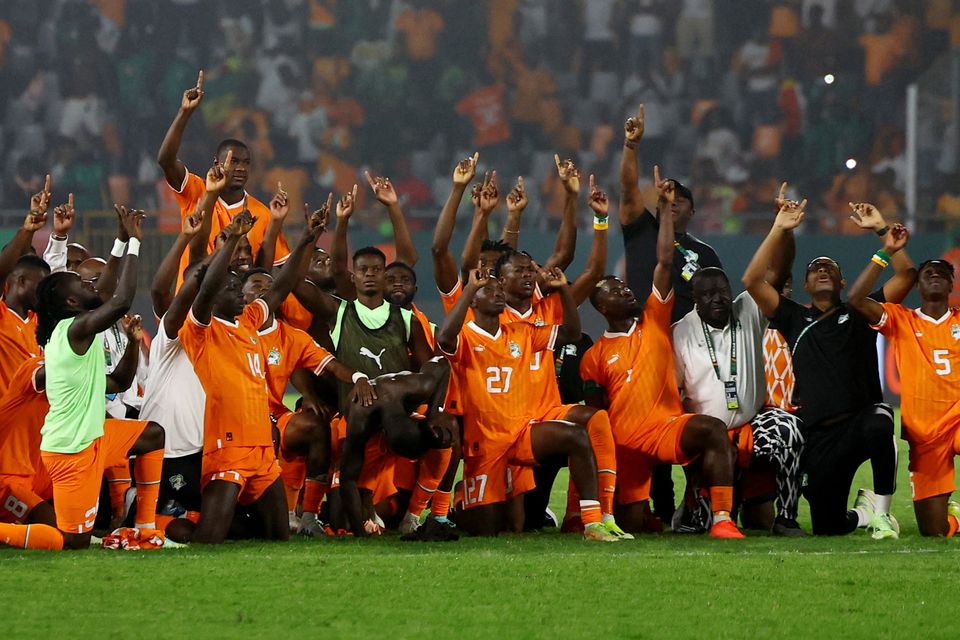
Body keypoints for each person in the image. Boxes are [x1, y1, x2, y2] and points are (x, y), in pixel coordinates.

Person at [581, 173, 744, 539]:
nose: (624, 290)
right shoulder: (593, 356)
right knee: (634, 524)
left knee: (713, 430)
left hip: (664, 427)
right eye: (614, 290)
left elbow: (665, 262)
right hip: (625, 442)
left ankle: (720, 518)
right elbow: (597, 416)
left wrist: (665, 214)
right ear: (601, 307)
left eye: (623, 285)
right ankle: (610, 510)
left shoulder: (655, 318)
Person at [742, 200, 917, 538]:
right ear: (806, 286)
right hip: (820, 436)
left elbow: (907, 276)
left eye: (830, 268)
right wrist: (779, 228)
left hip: (860, 422)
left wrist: (883, 233)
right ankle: (864, 513)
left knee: (880, 421)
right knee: (828, 526)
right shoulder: (793, 317)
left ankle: (882, 514)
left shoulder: (861, 310)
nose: (822, 271)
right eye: (815, 269)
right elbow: (751, 280)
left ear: (841, 281)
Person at [0, 207, 166, 550]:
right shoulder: (70, 333)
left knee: (152, 434)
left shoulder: (73, 333)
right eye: (81, 283)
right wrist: (134, 242)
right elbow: (118, 300)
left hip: (91, 440)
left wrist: (134, 345)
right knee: (71, 541)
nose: (89, 283)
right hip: (66, 451)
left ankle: (146, 526)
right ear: (72, 301)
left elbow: (118, 382)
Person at [177, 205, 324, 544]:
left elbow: (279, 289)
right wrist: (232, 240)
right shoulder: (202, 329)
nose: (242, 295)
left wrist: (306, 239)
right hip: (227, 446)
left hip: (262, 450)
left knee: (277, 536)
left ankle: (220, 522)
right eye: (232, 290)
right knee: (209, 539)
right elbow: (208, 288)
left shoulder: (248, 322)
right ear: (214, 298)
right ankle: (176, 527)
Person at [438, 266, 619, 541]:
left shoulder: (521, 332)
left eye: (500, 291)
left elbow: (571, 333)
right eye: (490, 290)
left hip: (523, 433)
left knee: (576, 435)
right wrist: (471, 288)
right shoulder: (466, 336)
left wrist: (562, 291)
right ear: (474, 299)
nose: (498, 294)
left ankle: (592, 522)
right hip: (487, 443)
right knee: (495, 529)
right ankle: (462, 502)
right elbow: (443, 339)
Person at [619, 104, 723, 523]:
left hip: (693, 346)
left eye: (681, 201)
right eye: (667, 198)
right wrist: (632, 146)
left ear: (693, 211)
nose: (672, 204)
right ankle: (657, 504)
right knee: (651, 419)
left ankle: (698, 503)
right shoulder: (641, 228)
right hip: (648, 341)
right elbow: (628, 191)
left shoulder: (706, 253)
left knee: (694, 419)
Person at [846, 221, 960, 537]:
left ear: (952, 284)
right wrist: (885, 251)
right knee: (934, 531)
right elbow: (855, 300)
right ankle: (953, 518)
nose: (935, 275)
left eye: (942, 273)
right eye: (928, 273)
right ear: (918, 285)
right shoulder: (900, 319)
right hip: (925, 434)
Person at [673, 266, 806, 536]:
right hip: (708, 436)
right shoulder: (680, 332)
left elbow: (776, 273)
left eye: (722, 291)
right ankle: (693, 507)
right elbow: (675, 391)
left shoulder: (747, 309)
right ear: (694, 298)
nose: (717, 299)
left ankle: (787, 517)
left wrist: (782, 230)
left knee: (789, 429)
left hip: (753, 423)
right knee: (701, 526)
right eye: (707, 294)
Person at [156, 71, 291, 285]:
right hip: (192, 310)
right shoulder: (197, 190)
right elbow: (165, 160)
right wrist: (184, 113)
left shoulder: (262, 214)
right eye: (234, 161)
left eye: (246, 163)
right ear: (217, 163)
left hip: (234, 313)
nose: (241, 168)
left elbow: (265, 274)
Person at [339, 358, 454, 538]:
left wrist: (434, 413)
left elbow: (443, 362)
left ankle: (430, 512)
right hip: (356, 422)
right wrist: (359, 531)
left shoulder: (419, 386)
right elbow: (347, 479)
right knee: (341, 514)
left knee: (448, 427)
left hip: (392, 407)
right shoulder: (359, 416)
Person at [0, 178, 52, 393]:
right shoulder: (2, 314)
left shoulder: (40, 322)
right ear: (20, 281)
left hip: (34, 421)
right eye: (40, 285)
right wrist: (27, 229)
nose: (44, 292)